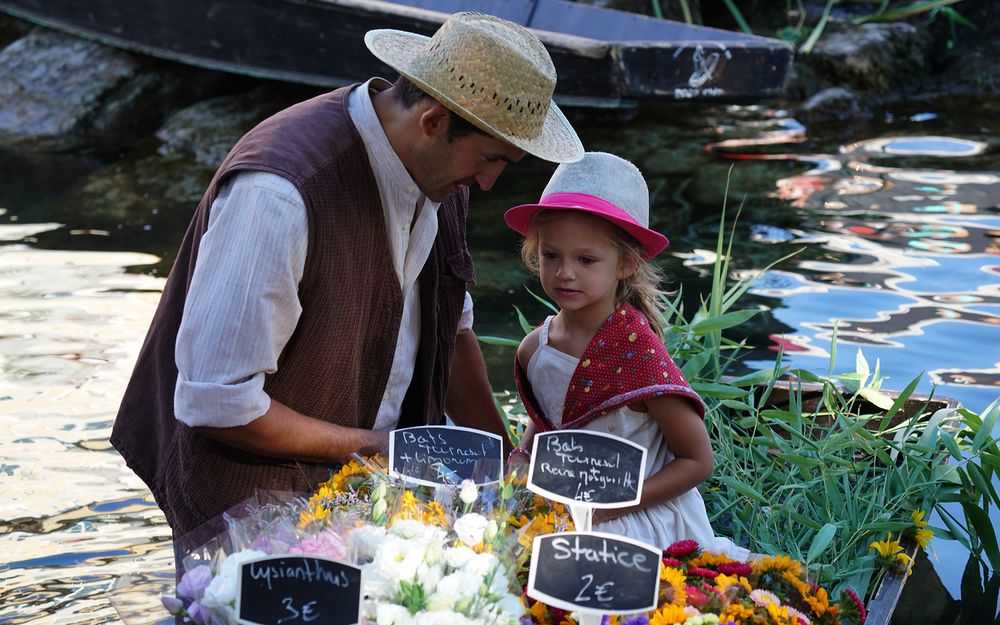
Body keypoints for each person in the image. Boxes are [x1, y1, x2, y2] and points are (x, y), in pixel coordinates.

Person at [110, 11, 585, 542]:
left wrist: (506, 463)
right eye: (492, 158)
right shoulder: (278, 194)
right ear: (433, 121)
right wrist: (380, 446)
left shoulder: (439, 173)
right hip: (245, 511)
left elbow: (451, 335)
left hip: (366, 500)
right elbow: (217, 404)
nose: (491, 182)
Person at [504, 152, 748, 558]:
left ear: (626, 263)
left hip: (638, 521)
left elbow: (697, 460)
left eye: (585, 259)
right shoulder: (536, 349)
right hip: (565, 507)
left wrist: (611, 506)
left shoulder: (638, 355)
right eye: (551, 255)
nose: (565, 272)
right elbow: (548, 423)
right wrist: (524, 456)